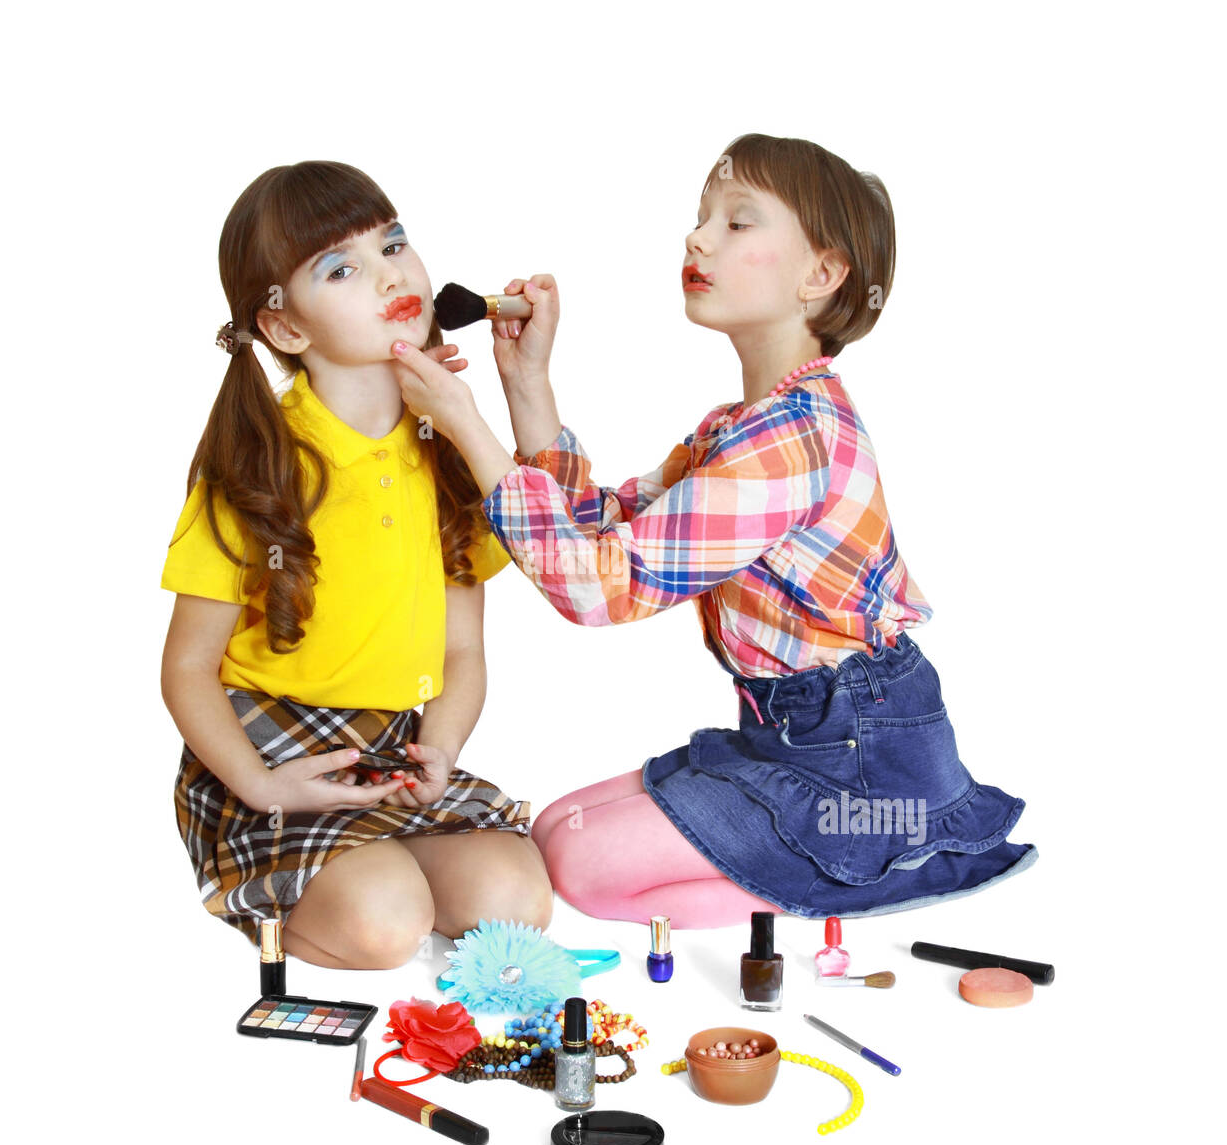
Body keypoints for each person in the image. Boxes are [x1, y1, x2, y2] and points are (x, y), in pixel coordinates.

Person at [387, 134, 1033, 928]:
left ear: (821, 275)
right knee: (554, 829)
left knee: (579, 864)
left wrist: (462, 424)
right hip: (794, 743)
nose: (697, 238)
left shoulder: (791, 444)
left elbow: (596, 590)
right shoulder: (741, 428)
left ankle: (891, 863)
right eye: (702, 218)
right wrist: (527, 384)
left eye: (738, 223)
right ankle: (842, 859)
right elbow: (602, 532)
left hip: (868, 780)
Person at [160, 160, 552, 967]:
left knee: (516, 904)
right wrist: (264, 786)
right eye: (343, 269)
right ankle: (306, 883)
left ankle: (378, 862)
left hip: (393, 749)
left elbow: (462, 650)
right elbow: (189, 669)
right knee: (385, 924)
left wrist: (440, 748)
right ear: (286, 329)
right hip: (271, 753)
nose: (389, 275)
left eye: (394, 244)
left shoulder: (449, 448)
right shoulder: (261, 463)